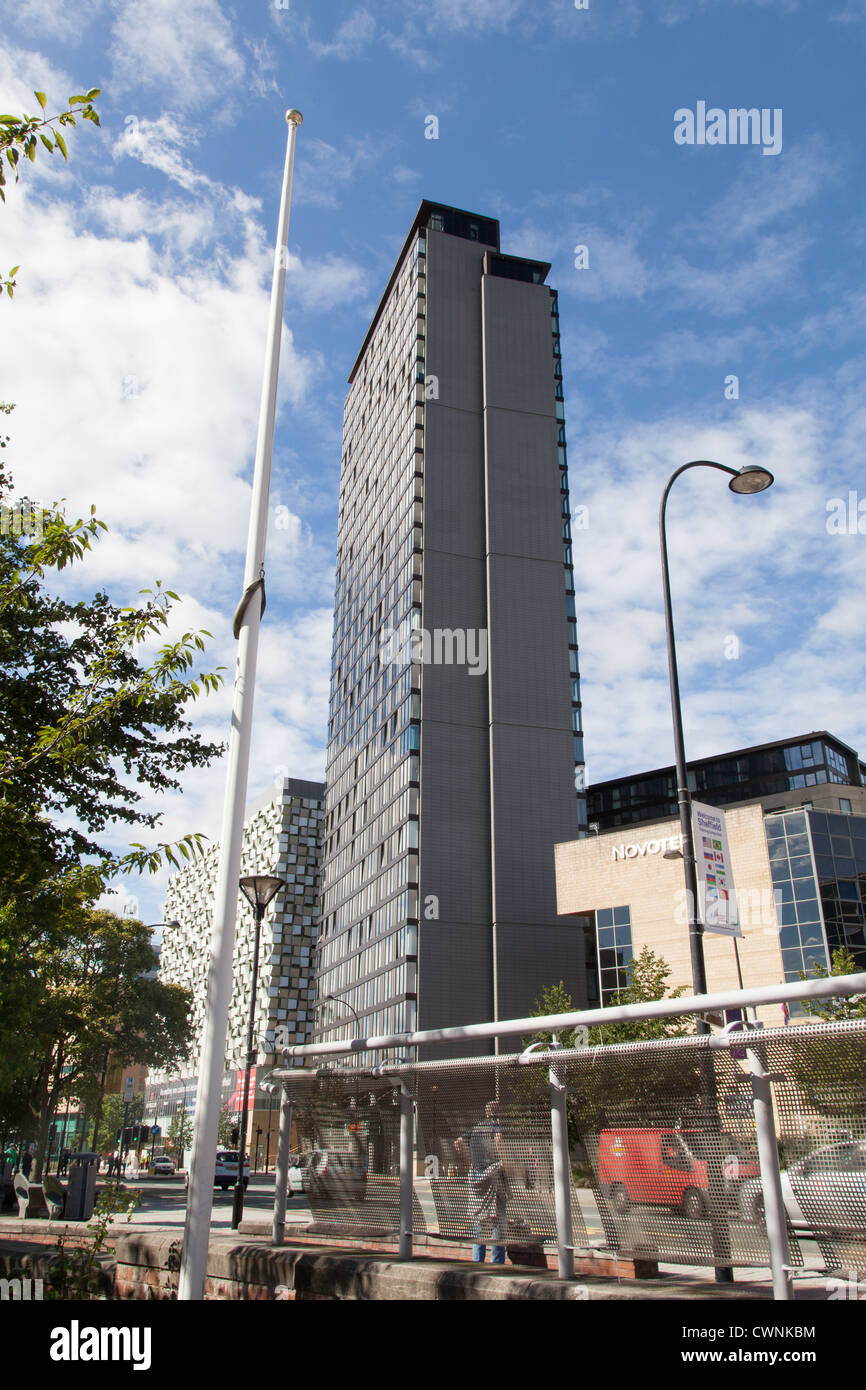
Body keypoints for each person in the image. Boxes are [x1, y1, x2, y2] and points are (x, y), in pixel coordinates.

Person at [454, 1101, 509, 1264]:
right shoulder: (496, 1126)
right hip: (492, 1173)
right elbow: (498, 1140)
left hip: (477, 1174)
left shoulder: (476, 1128)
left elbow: (458, 1142)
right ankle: (497, 1261)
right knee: (497, 1219)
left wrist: (469, 1161)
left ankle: (477, 1260)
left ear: (486, 1113)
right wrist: (503, 1161)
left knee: (479, 1217)